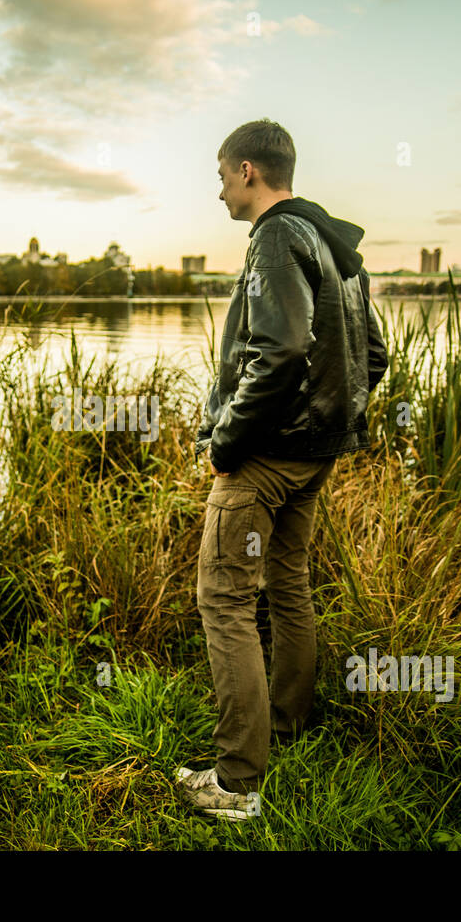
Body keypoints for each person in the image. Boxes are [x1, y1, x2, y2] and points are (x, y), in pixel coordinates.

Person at [176, 119, 388, 821]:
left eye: (219, 175)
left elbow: (281, 351)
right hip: (317, 453)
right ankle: (287, 729)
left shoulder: (274, 237)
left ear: (246, 171)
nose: (217, 191)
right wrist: (331, 423)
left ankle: (236, 783)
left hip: (265, 457)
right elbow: (373, 354)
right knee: (288, 585)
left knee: (225, 600)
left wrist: (227, 440)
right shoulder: (334, 244)